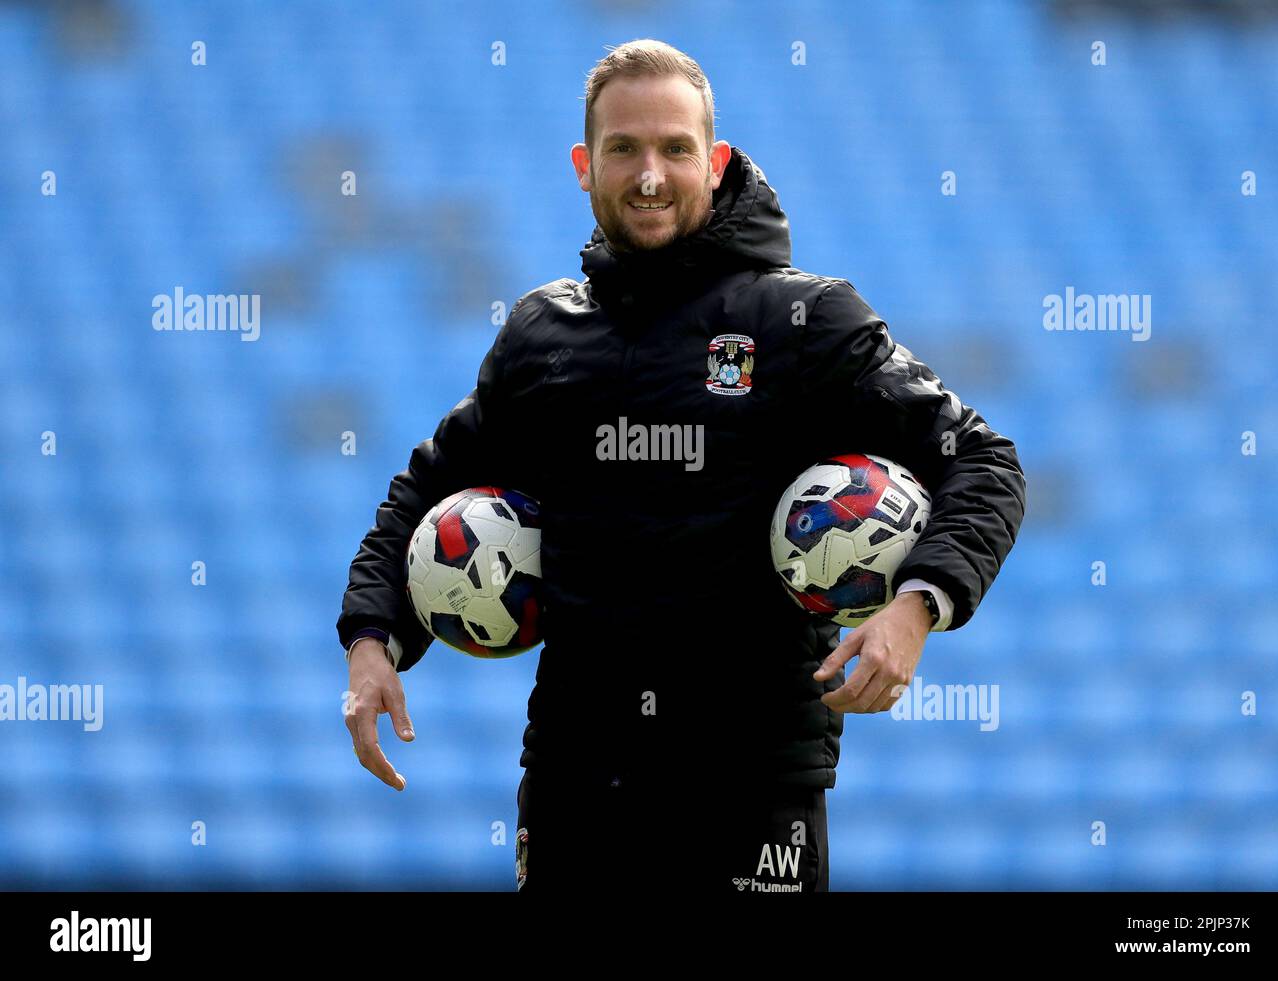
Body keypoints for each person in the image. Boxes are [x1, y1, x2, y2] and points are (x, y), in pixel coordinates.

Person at [338, 39, 1026, 894]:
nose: (651, 174)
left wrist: (918, 607)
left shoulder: (803, 321)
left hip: (752, 791)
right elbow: (424, 488)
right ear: (585, 167)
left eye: (675, 148)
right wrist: (373, 639)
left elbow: (986, 463)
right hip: (575, 785)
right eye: (624, 148)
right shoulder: (541, 336)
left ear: (717, 160)